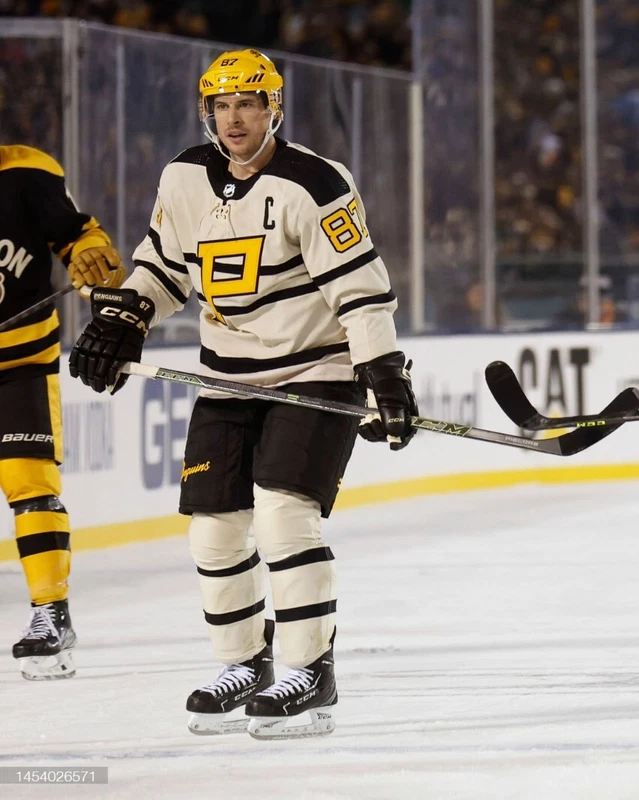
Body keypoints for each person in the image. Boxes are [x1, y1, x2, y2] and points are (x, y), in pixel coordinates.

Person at [68, 49, 419, 740]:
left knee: (285, 516)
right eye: (223, 105)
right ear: (210, 111)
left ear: (274, 108)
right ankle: (242, 663)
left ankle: (310, 671)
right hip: (227, 380)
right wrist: (123, 319)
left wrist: (382, 374)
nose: (235, 118)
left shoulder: (315, 183)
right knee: (214, 528)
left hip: (314, 375)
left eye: (249, 104)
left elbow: (359, 289)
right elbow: (164, 269)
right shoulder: (184, 177)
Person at [0, 144, 124, 680]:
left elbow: (76, 233)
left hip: (21, 357)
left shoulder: (28, 170)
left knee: (28, 482)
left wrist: (88, 252)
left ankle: (50, 612)